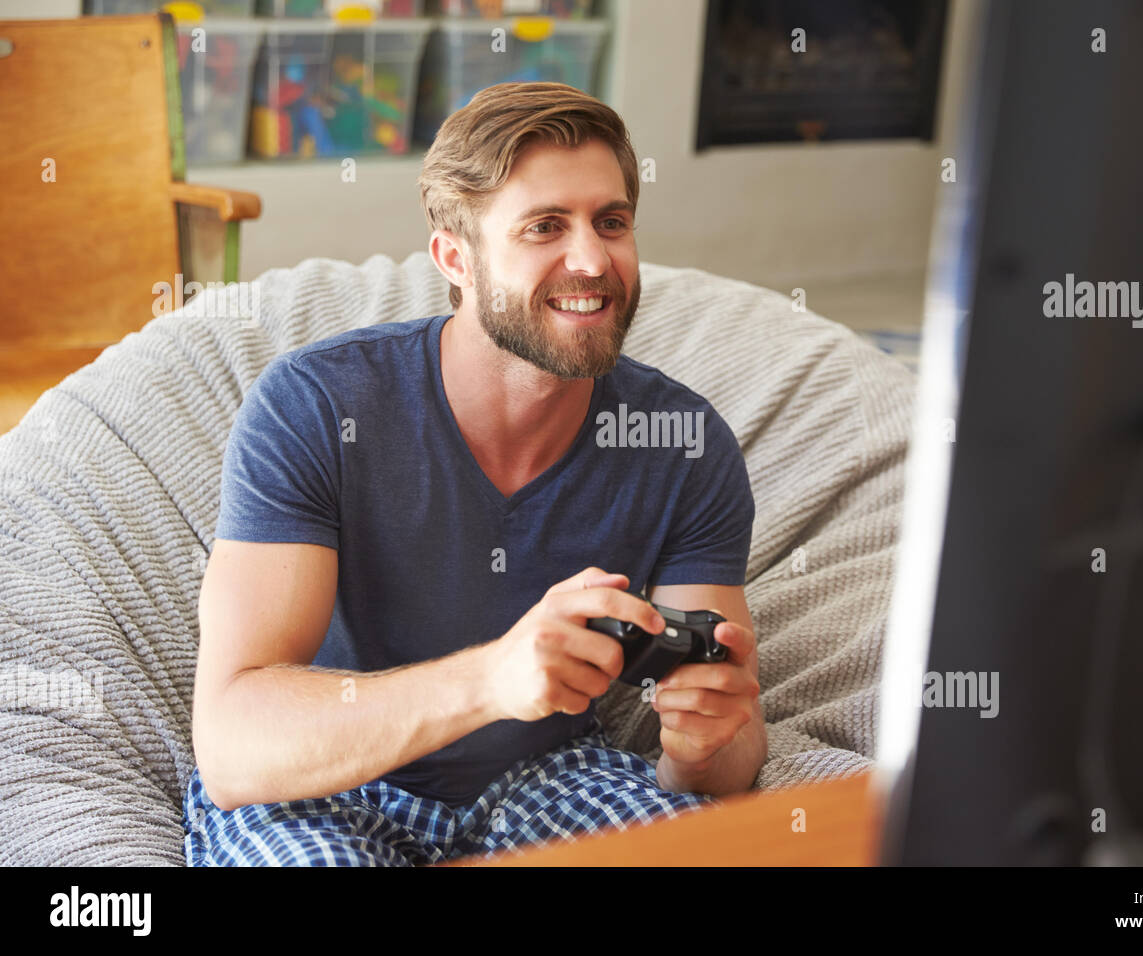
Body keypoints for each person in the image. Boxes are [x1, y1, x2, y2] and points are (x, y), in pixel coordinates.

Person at [185, 82, 764, 866]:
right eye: (545, 227)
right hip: (322, 778)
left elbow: (725, 754)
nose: (592, 260)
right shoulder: (316, 406)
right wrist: (493, 679)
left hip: (549, 772)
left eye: (612, 222)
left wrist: (700, 751)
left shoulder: (685, 445)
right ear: (455, 258)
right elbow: (232, 746)